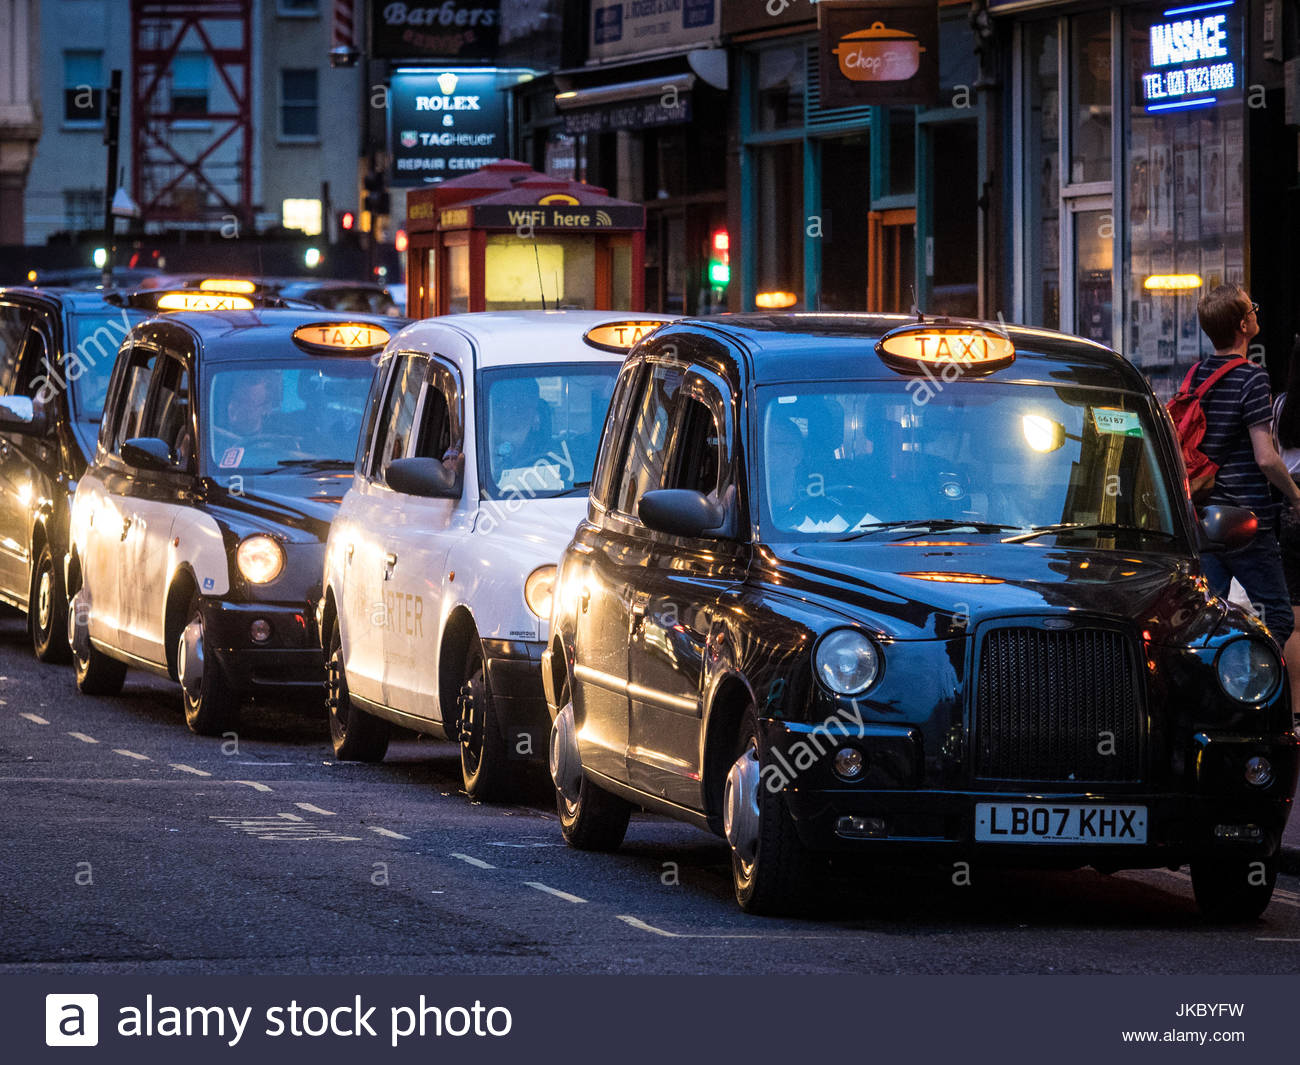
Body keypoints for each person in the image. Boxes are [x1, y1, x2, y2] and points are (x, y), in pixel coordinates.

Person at [1193, 285, 1300, 648]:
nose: (1257, 312)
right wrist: (1296, 495)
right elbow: (1266, 457)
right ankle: (1243, 680)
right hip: (1246, 518)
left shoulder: (1195, 374)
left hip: (1205, 516)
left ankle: (1214, 687)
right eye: (1252, 308)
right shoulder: (1252, 377)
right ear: (1243, 324)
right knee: (1279, 617)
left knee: (1211, 616)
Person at [1271, 336, 1300, 712]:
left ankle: (1295, 711)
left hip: (1292, 506)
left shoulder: (1280, 406)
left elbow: (1272, 457)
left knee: (1295, 618)